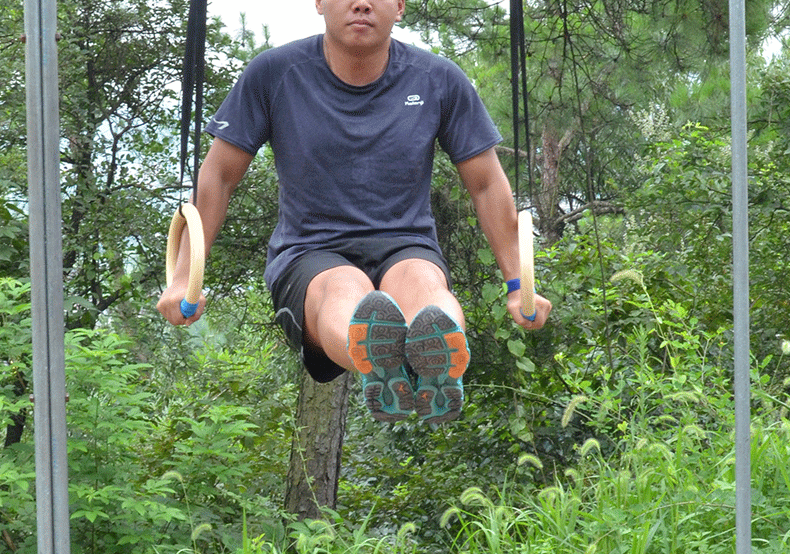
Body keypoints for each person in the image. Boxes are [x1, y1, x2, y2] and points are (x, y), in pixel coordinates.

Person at [157, 0, 552, 424]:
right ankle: (379, 358)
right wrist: (183, 278)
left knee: (423, 283)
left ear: (399, 6)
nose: (361, 3)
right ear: (319, 3)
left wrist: (519, 283)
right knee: (345, 287)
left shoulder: (437, 79)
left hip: (405, 245)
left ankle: (438, 358)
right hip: (310, 253)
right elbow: (219, 176)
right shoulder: (276, 73)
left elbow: (486, 183)